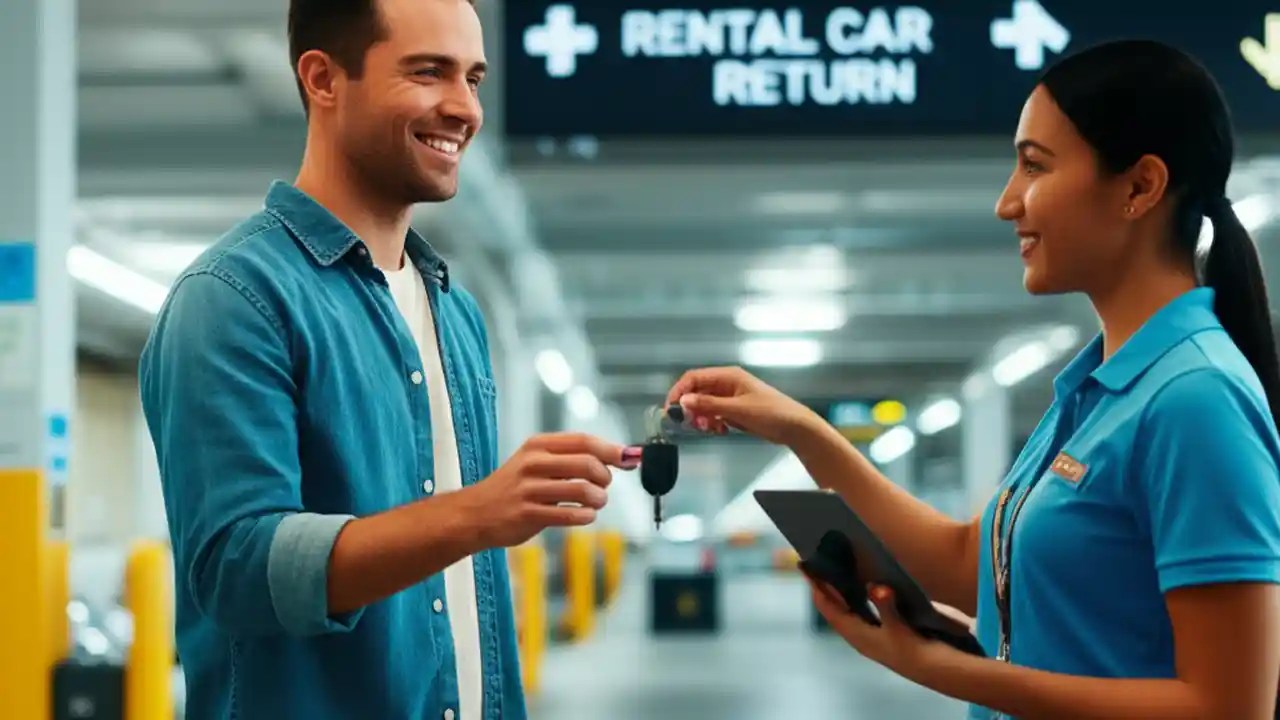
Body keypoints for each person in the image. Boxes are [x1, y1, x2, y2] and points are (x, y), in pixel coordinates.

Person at [668, 40, 1280, 719]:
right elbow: (971, 564)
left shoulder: (1195, 398)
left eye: (1034, 166)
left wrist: (953, 671)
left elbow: (1228, 708)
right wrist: (802, 431)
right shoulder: (1095, 392)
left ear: (1139, 187)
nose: (1006, 202)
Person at [137, 1, 637, 718]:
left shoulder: (456, 315)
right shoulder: (234, 299)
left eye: (473, 78)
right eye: (428, 72)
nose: (464, 108)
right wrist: (477, 513)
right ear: (323, 79)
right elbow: (237, 567)